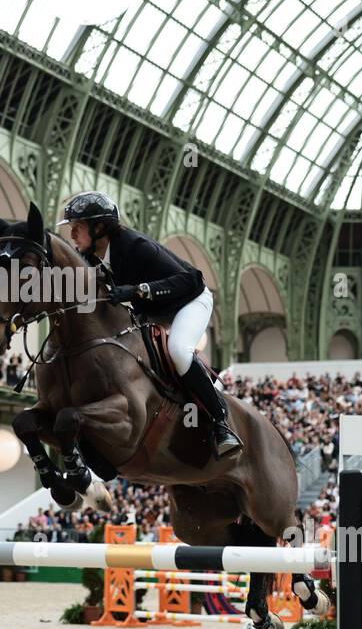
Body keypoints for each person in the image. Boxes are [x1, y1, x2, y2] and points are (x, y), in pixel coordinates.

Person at [58, 190, 242, 459]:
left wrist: (135, 291)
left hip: (190, 301)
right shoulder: (89, 256)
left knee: (179, 350)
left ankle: (220, 423)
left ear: (99, 227)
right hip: (153, 311)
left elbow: (189, 280)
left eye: (78, 227)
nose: (72, 234)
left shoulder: (135, 246)